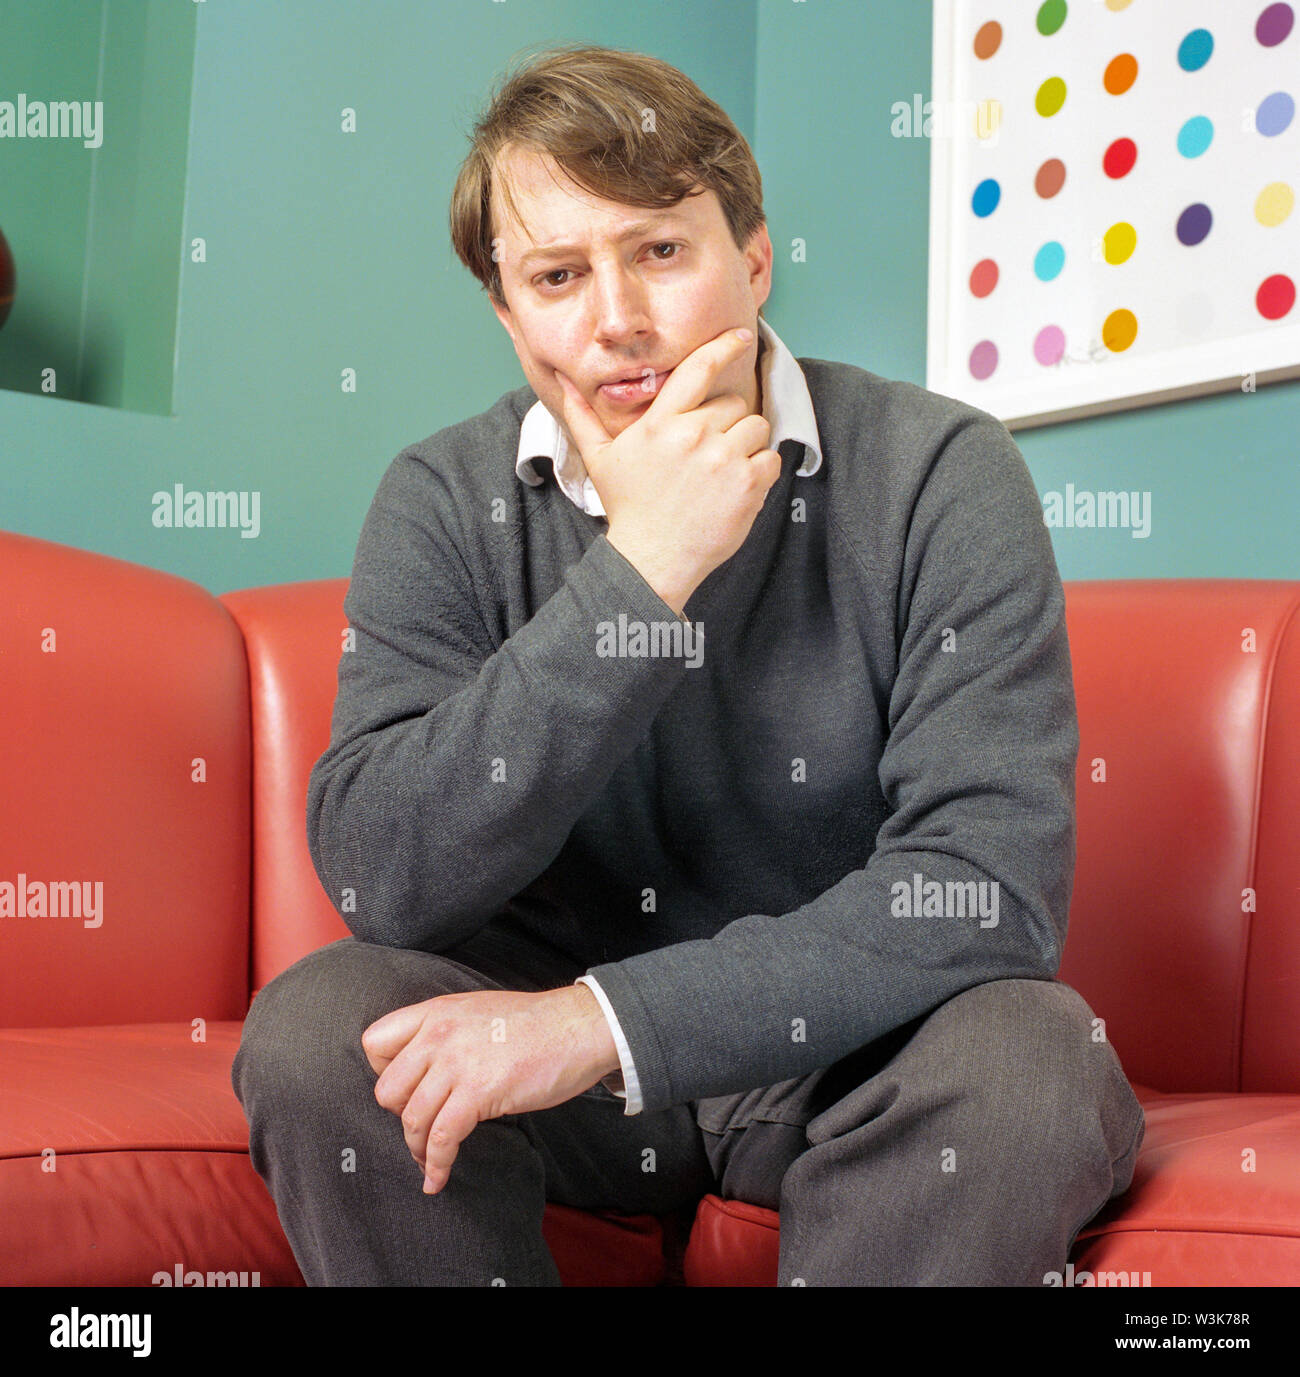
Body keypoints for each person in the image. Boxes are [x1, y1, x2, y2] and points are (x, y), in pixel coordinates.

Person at [232, 43, 1145, 1287]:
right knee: (322, 1030)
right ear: (509, 315)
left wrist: (603, 1024)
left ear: (754, 259)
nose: (616, 321)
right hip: (555, 1094)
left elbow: (985, 888)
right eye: (557, 275)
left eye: (660, 250)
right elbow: (386, 878)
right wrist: (643, 574)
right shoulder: (441, 498)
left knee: (1032, 1059)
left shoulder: (941, 471)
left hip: (848, 1058)